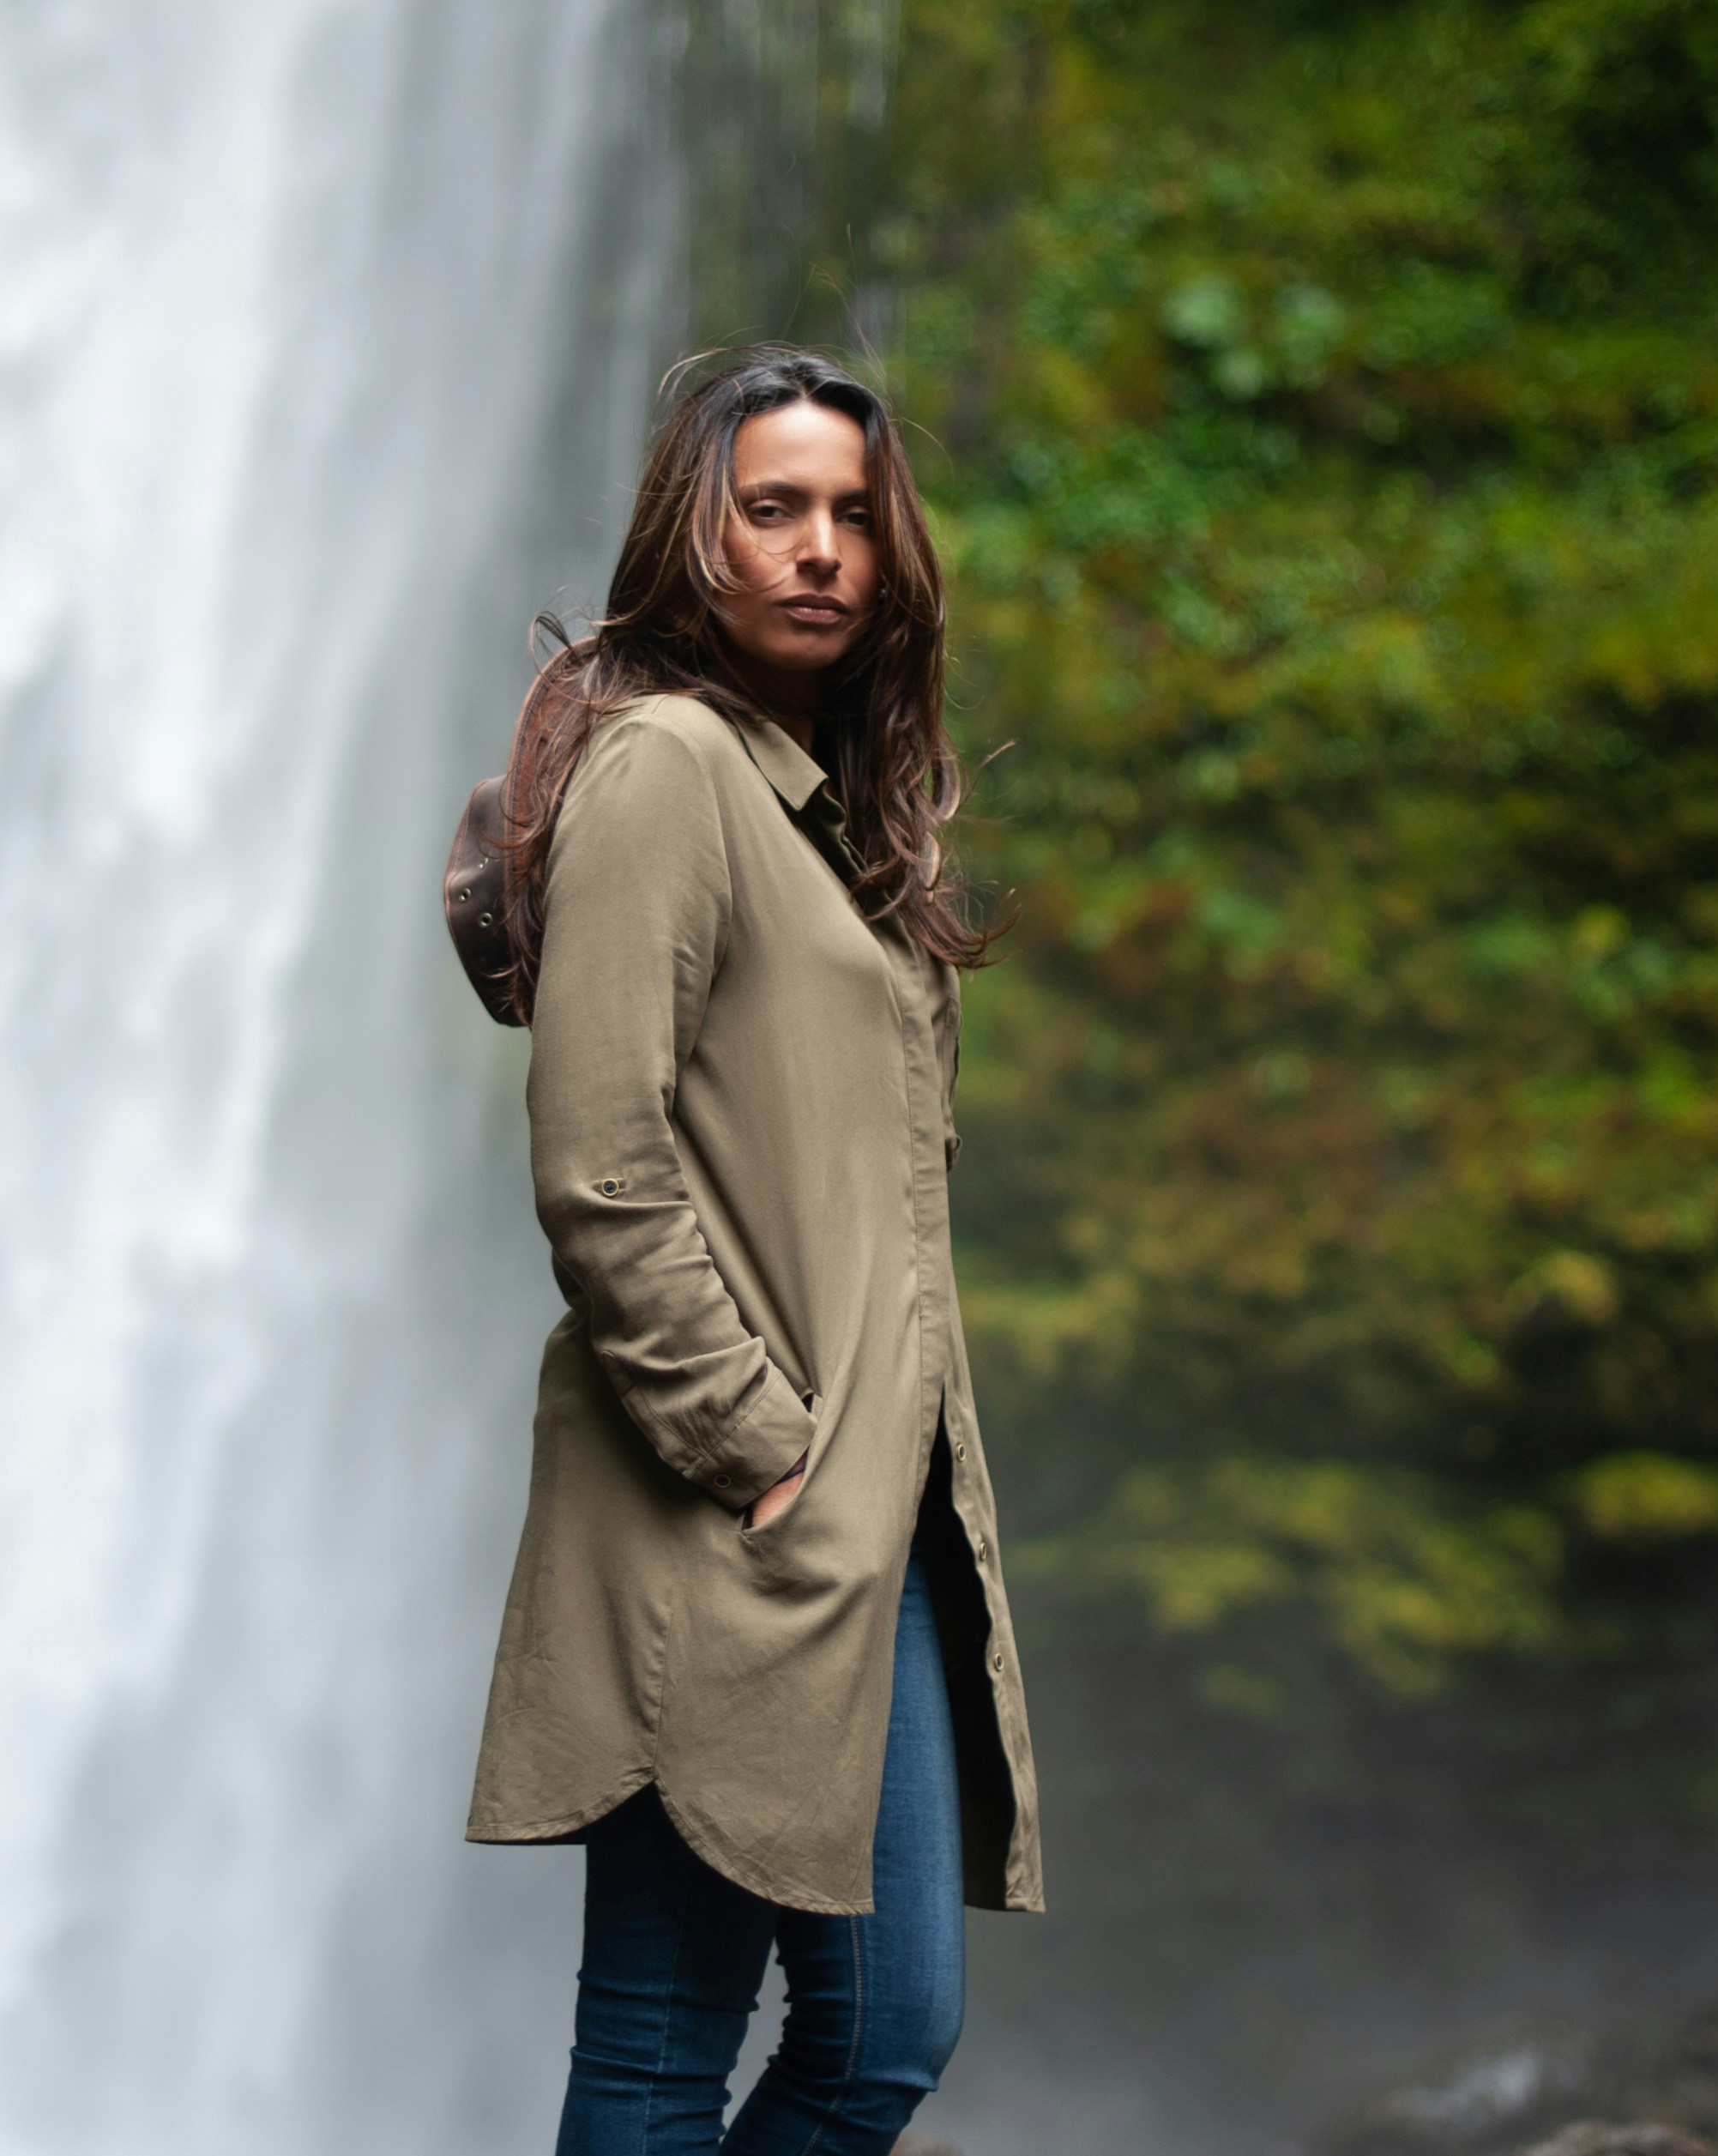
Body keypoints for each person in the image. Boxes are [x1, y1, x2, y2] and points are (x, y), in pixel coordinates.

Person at [461, 347, 1044, 2156]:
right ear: (689, 534)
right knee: (658, 2039)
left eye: (851, 515)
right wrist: (755, 1443)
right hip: (728, 1516)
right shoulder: (666, 773)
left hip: (870, 1524)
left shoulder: (819, 816)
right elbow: (598, 1164)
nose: (817, 549)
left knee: (882, 2036)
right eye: (770, 508)